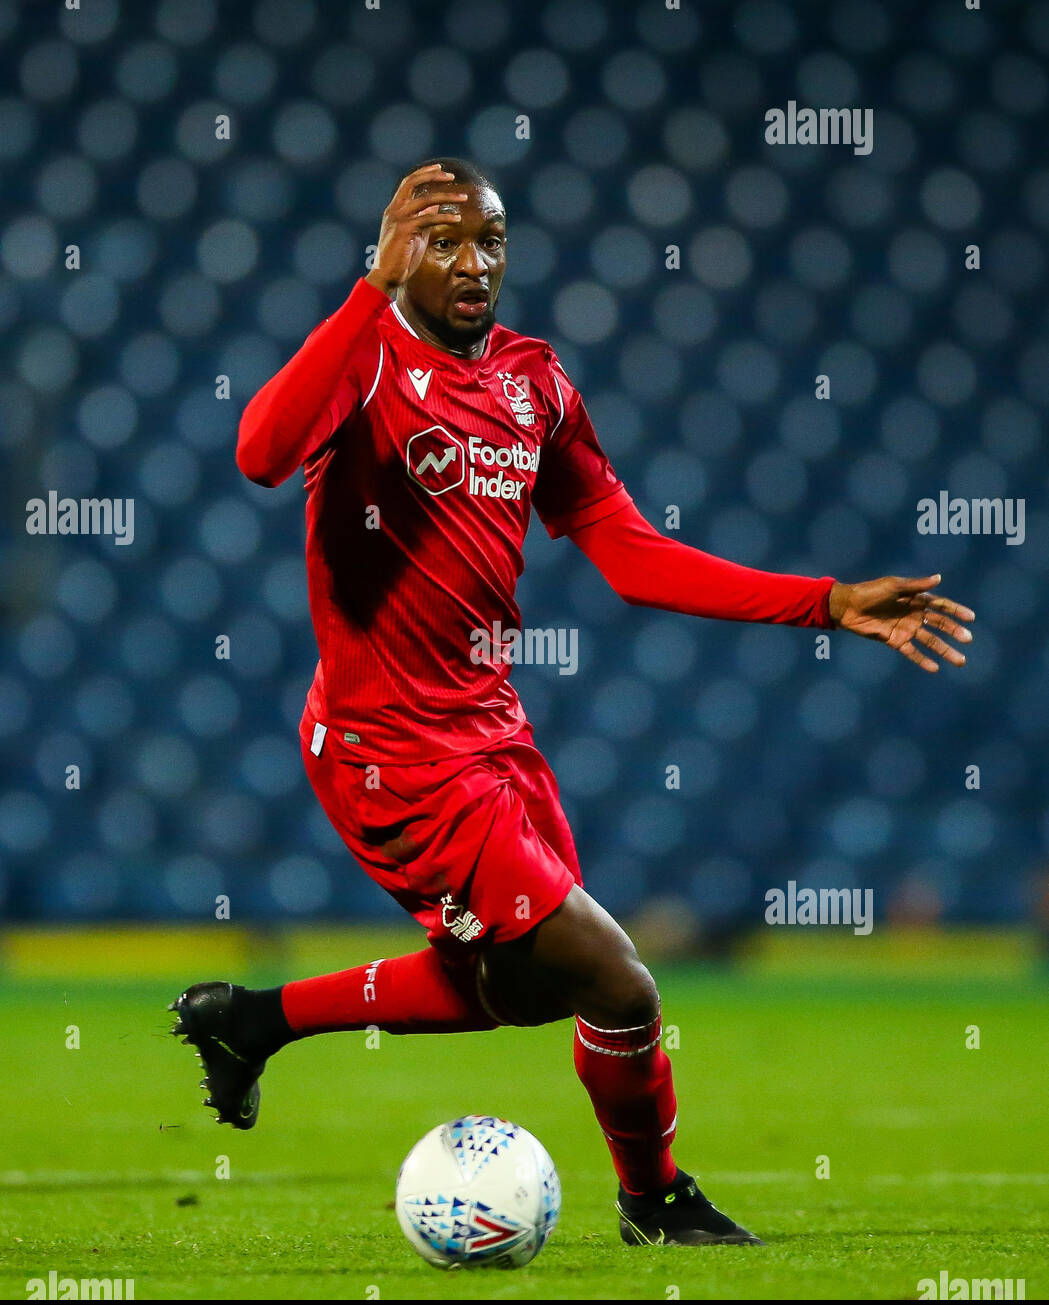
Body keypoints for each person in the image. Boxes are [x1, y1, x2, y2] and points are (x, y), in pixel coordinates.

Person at [169, 159, 974, 1247]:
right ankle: (655, 1201)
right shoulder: (361, 363)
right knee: (617, 982)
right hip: (387, 746)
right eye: (441, 240)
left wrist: (825, 602)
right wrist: (366, 289)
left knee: (508, 985)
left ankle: (250, 1020)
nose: (472, 263)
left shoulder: (531, 380)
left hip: (492, 735)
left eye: (489, 241)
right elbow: (259, 451)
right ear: (395, 249)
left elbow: (629, 554)